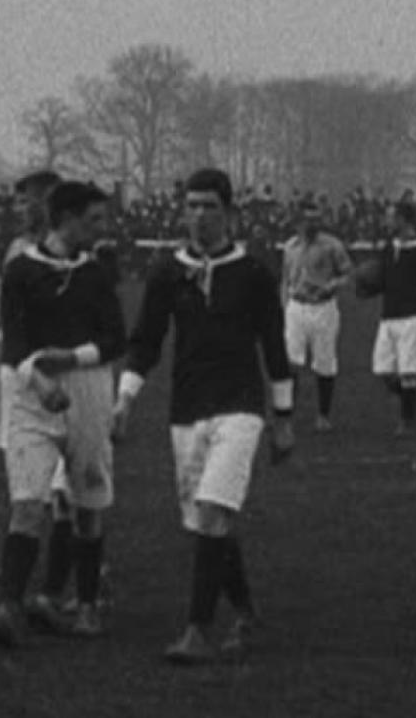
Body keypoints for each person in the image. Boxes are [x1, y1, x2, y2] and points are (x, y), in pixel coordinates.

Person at [115, 168, 295, 665]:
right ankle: (245, 611)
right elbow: (146, 340)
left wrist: (283, 417)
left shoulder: (254, 273)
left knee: (214, 510)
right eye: (191, 206)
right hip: (186, 411)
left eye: (209, 206)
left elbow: (274, 346)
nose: (199, 215)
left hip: (240, 408)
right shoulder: (167, 272)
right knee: (206, 523)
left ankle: (196, 630)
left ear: (229, 212)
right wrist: (126, 398)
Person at [0, 180, 125, 646]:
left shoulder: (97, 274)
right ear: (66, 219)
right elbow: (15, 337)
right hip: (30, 390)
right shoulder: (20, 270)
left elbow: (116, 339)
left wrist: (71, 358)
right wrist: (39, 377)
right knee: (27, 503)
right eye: (95, 219)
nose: (104, 228)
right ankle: (9, 608)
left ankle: (84, 606)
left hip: (88, 391)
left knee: (85, 505)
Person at [0, 170, 81, 631]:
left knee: (65, 488)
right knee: (26, 480)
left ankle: (62, 585)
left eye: (29, 200)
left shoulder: (76, 251)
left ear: (50, 202)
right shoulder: (15, 251)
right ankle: (23, 572)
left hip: (56, 373)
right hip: (16, 372)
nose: (21, 208)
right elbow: (1, 309)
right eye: (20, 201)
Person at [371, 202, 416, 437]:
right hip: (388, 316)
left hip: (413, 317)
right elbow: (382, 279)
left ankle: (407, 422)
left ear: (403, 220)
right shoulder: (388, 247)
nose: (386, 221)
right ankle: (412, 402)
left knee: (408, 372)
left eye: (390, 216)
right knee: (382, 370)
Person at [281, 199, 352, 432]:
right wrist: (285, 305)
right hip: (297, 308)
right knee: (290, 362)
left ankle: (323, 415)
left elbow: (347, 274)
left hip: (323, 308)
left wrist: (331, 285)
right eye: (307, 219)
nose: (311, 224)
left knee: (324, 362)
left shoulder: (332, 246)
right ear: (299, 220)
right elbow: (285, 279)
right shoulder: (290, 247)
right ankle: (286, 415)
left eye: (316, 219)